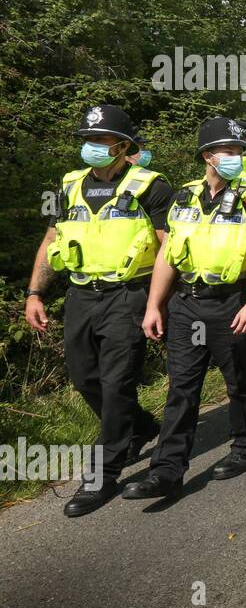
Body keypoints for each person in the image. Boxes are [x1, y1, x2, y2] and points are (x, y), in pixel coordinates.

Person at [25, 105, 173, 517]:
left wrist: (159, 303)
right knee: (83, 376)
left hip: (129, 294)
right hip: (80, 295)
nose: (91, 147)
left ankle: (104, 473)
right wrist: (35, 292)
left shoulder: (151, 186)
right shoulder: (69, 185)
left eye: (101, 141)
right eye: (87, 140)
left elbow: (167, 248)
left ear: (124, 146)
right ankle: (140, 427)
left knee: (115, 382)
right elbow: (52, 237)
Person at [123, 117, 246, 500]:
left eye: (239, 151)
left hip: (232, 301)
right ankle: (166, 471)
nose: (236, 157)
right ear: (207, 156)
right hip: (187, 302)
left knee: (239, 379)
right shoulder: (183, 197)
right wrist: (155, 305)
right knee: (182, 387)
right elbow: (167, 257)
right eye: (228, 151)